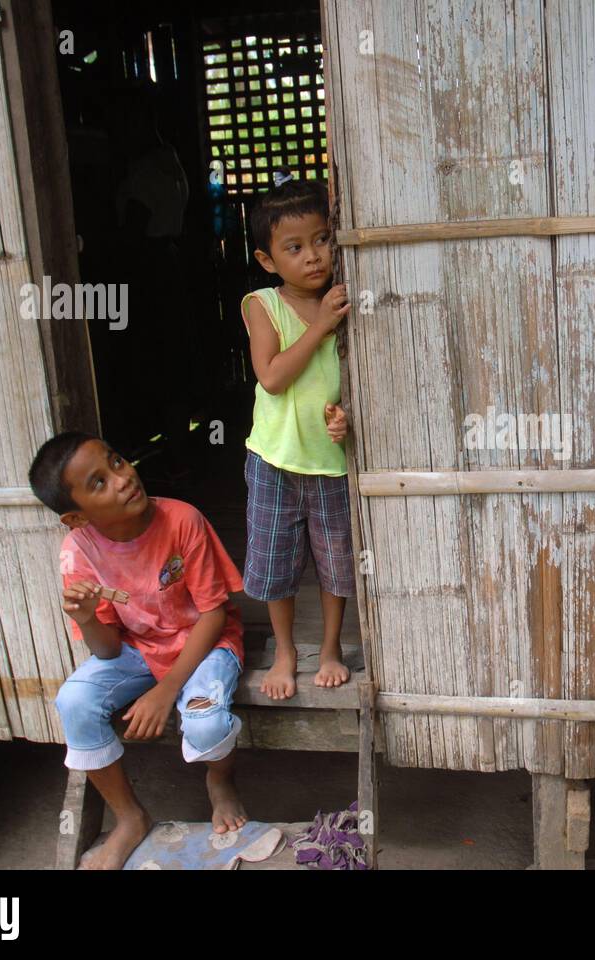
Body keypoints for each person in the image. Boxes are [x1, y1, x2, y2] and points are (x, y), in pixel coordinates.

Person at [28, 432, 248, 869]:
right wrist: (89, 617)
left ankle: (220, 781)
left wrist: (166, 691)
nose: (123, 477)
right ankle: (130, 817)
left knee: (204, 724)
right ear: (75, 518)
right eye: (98, 483)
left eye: (117, 461)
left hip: (205, 644)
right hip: (137, 649)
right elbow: (107, 652)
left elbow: (214, 615)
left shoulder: (181, 519)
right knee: (74, 701)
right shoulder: (78, 553)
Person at [241, 177, 354, 699]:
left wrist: (347, 419)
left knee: (337, 564)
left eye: (322, 239)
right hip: (276, 462)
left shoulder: (347, 301)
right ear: (268, 261)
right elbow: (272, 377)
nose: (313, 256)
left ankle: (329, 647)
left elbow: (355, 380)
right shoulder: (262, 304)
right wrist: (320, 327)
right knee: (275, 562)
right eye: (294, 247)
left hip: (330, 462)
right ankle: (286, 651)